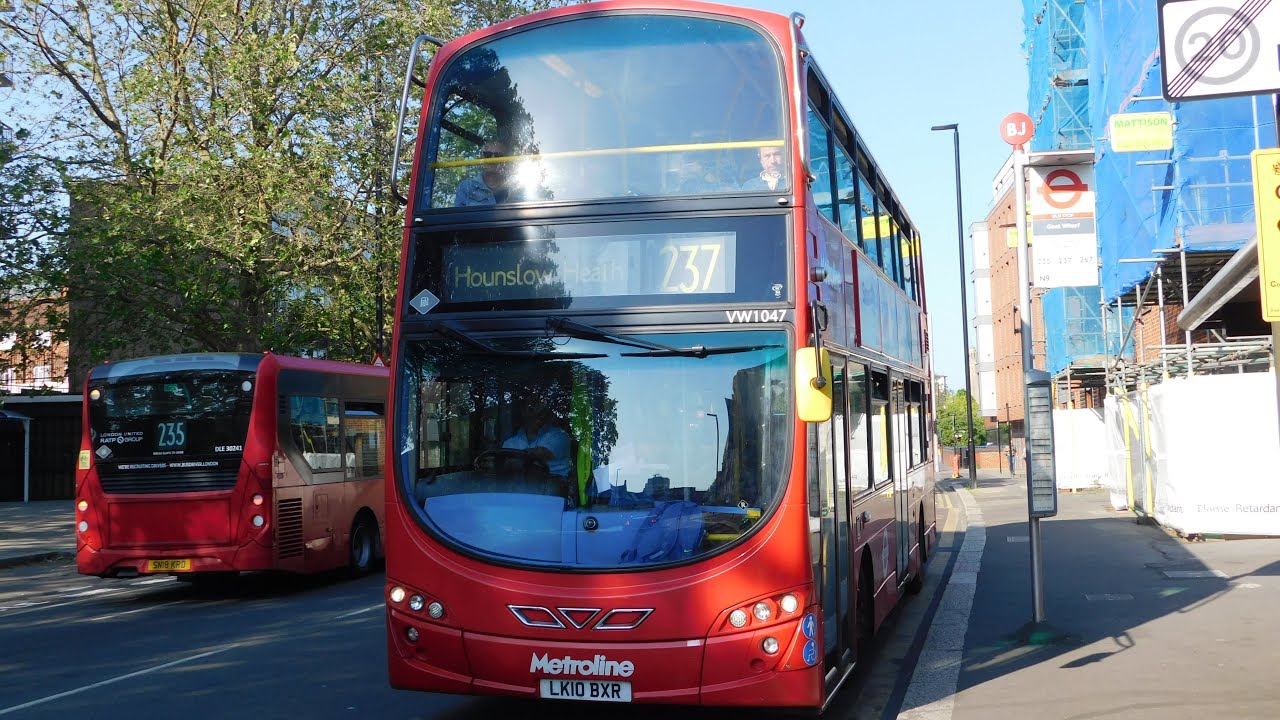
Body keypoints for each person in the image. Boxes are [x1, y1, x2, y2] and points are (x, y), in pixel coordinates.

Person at [487, 395, 572, 477]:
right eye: (532, 408)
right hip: (518, 489)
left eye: (541, 409)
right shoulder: (510, 443)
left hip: (554, 487)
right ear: (523, 411)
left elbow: (540, 454)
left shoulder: (560, 436)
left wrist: (507, 456)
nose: (538, 413)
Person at [454, 141, 521, 206]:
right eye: (487, 155)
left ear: (506, 161)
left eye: (498, 155)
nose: (492, 159)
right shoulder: (467, 187)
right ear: (481, 159)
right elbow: (457, 216)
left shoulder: (516, 187)